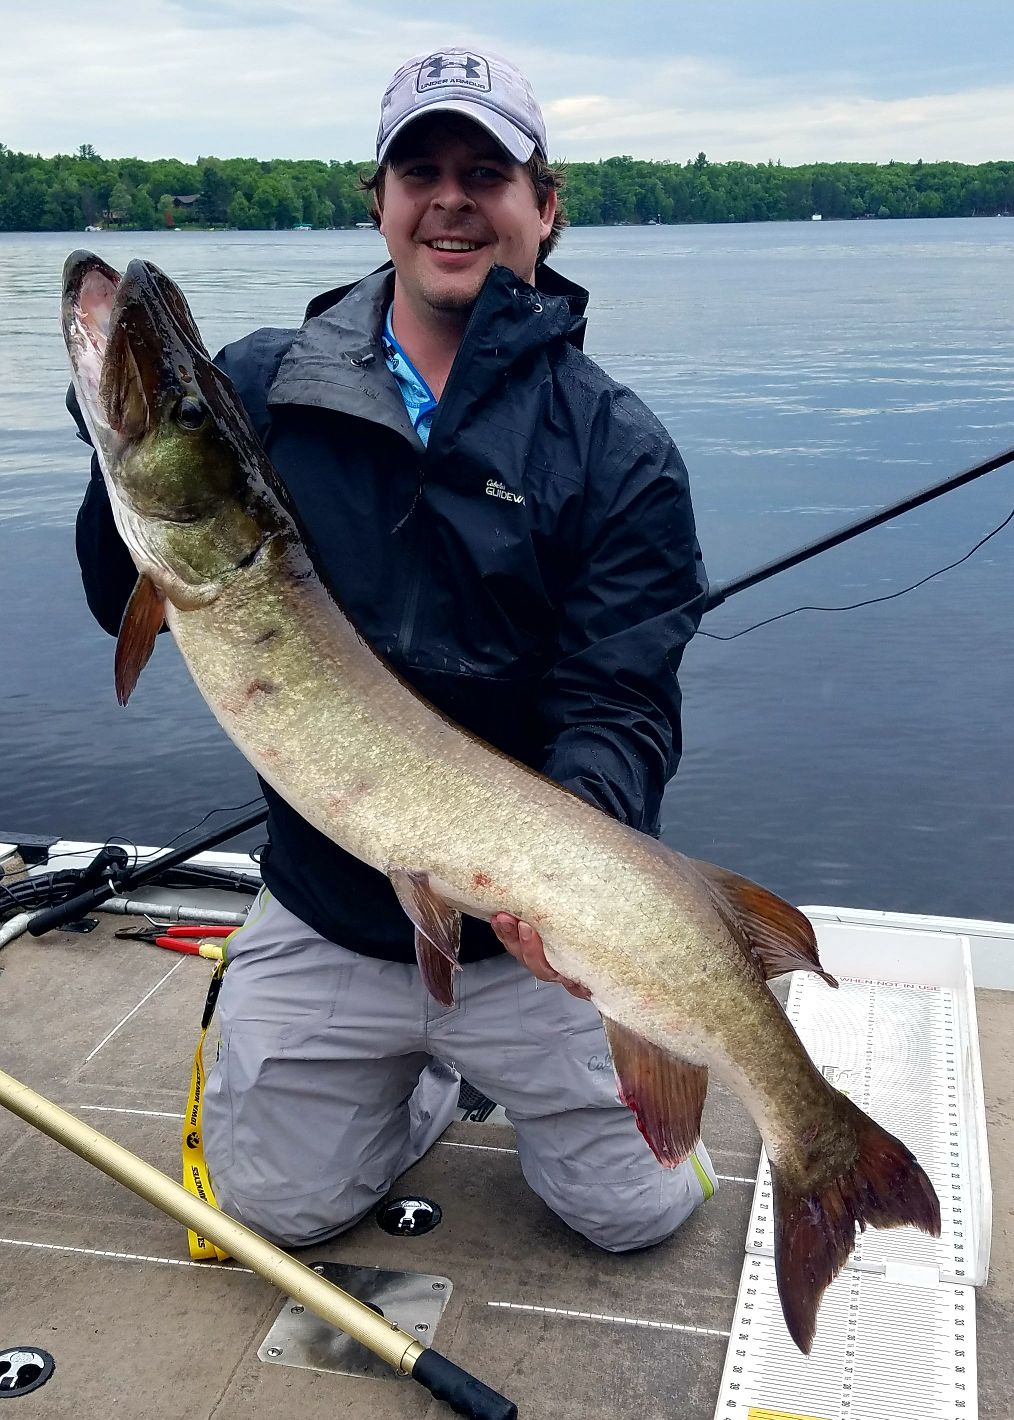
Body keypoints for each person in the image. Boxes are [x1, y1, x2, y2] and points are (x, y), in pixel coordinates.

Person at [73, 46, 714, 1252]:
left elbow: (623, 699)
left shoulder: (621, 450)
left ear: (546, 205)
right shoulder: (258, 385)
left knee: (637, 1213)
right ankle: (412, 1078)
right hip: (328, 911)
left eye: (488, 170)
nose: (452, 197)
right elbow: (123, 590)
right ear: (380, 202)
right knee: (273, 1215)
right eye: (420, 169)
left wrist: (562, 872)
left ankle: (484, 1058)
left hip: (527, 951)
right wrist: (111, 448)